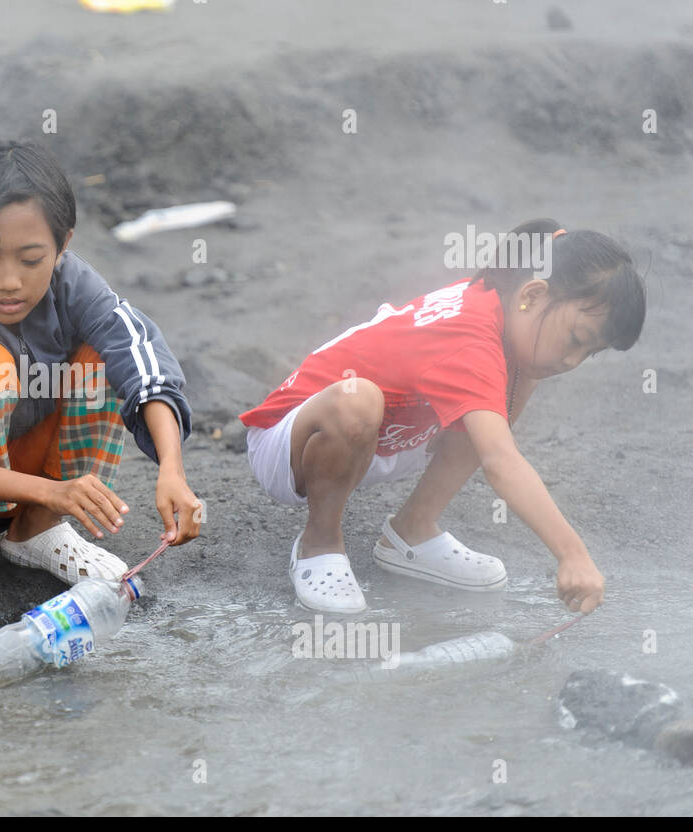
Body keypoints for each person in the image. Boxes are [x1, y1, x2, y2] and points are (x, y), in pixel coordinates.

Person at [240, 219, 645, 615]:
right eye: (576, 339)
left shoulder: (502, 317)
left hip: (389, 440)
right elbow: (500, 461)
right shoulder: (469, 334)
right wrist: (572, 555)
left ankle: (412, 530)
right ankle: (320, 542)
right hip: (293, 443)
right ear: (533, 295)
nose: (572, 361)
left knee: (503, 391)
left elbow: (493, 439)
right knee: (357, 398)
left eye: (589, 353)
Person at [0, 139, 201, 606]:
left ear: (62, 245)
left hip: (34, 468)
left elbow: (140, 354)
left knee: (105, 354)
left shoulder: (73, 281)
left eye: (30, 259)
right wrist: (54, 490)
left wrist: (171, 468)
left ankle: (36, 528)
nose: (9, 280)